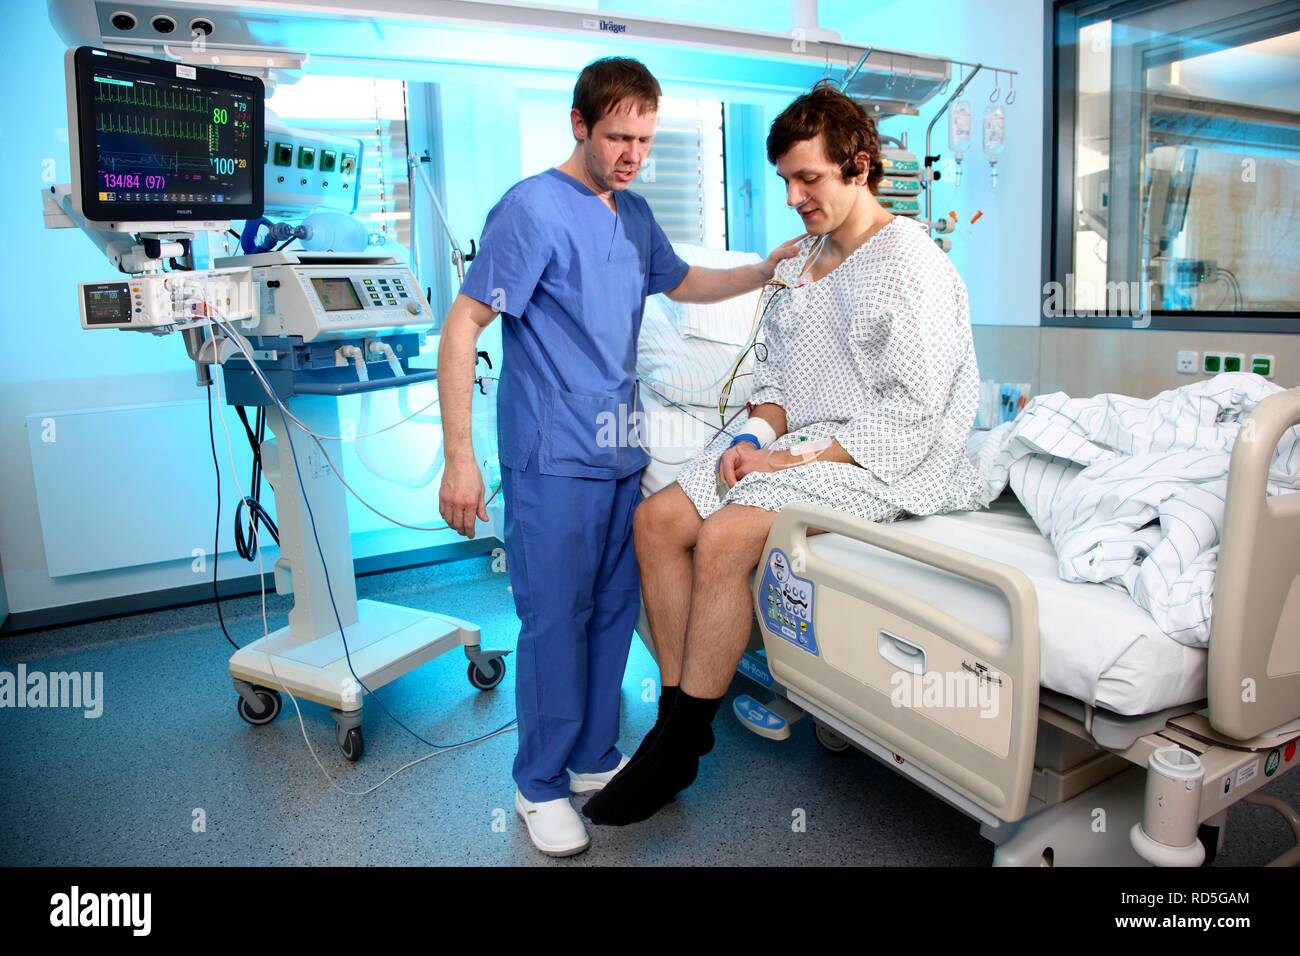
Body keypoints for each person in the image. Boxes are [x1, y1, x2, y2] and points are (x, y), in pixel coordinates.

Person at [582, 81, 984, 828]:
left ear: (859, 168)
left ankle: (680, 747)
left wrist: (791, 466)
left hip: (880, 451)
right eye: (786, 181)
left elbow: (915, 412)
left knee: (729, 535)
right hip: (796, 443)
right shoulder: (800, 264)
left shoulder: (912, 265)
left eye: (811, 179)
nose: (795, 197)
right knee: (658, 522)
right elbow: (775, 382)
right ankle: (674, 715)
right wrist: (749, 439)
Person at [437, 57, 800, 856]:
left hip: (614, 452)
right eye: (617, 136)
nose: (632, 152)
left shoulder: (633, 215)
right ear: (579, 125)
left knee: (607, 614)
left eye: (645, 137)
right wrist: (457, 458)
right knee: (552, 619)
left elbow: (683, 283)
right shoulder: (531, 209)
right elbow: (462, 328)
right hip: (549, 452)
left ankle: (594, 757)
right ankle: (538, 784)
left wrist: (764, 271)